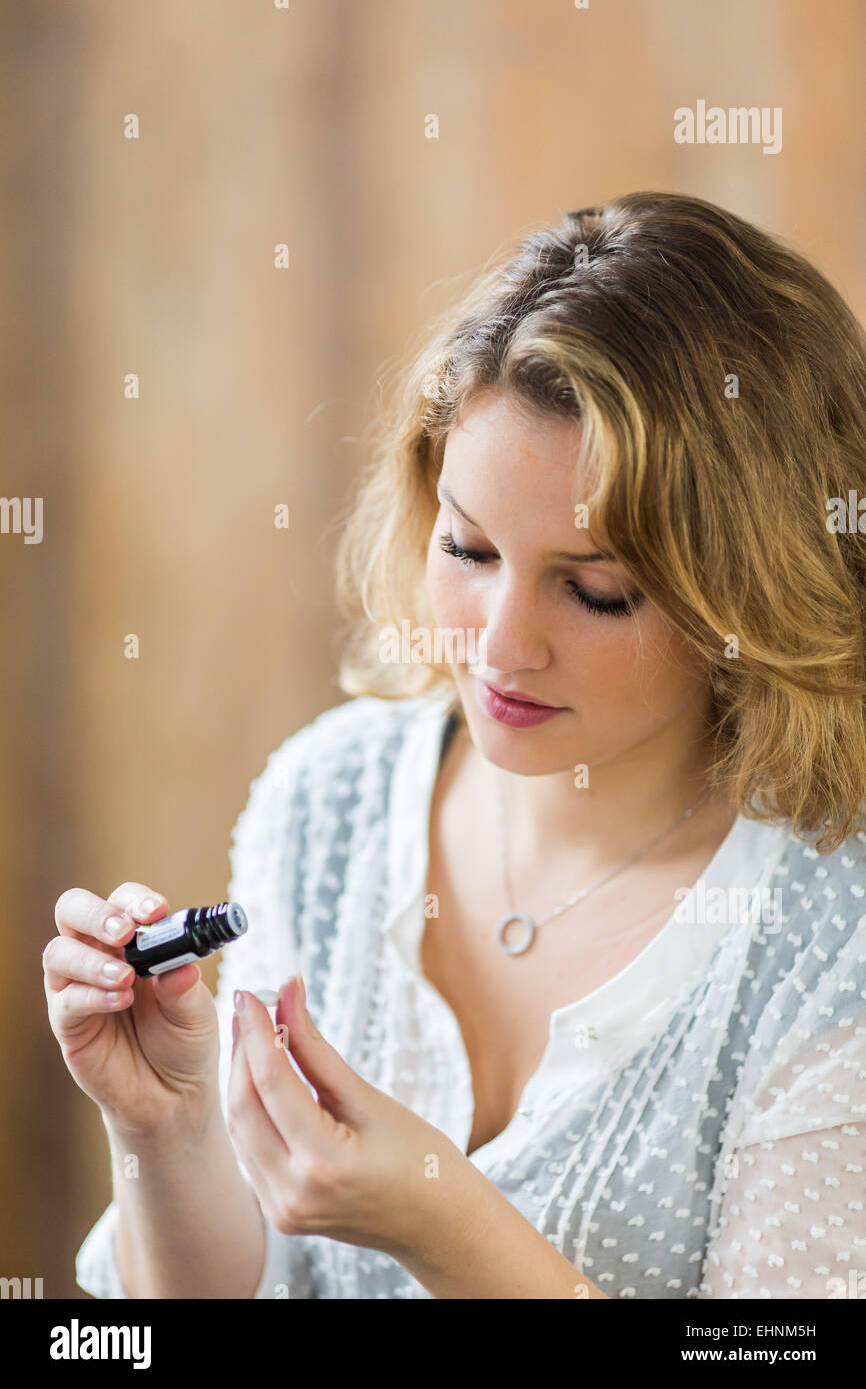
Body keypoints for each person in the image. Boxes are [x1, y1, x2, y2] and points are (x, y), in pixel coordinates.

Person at [51, 190, 866, 1299]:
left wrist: (444, 1222)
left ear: (747, 596)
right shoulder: (326, 798)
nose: (498, 647)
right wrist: (161, 1127)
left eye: (595, 592)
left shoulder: (829, 946)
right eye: (468, 549)